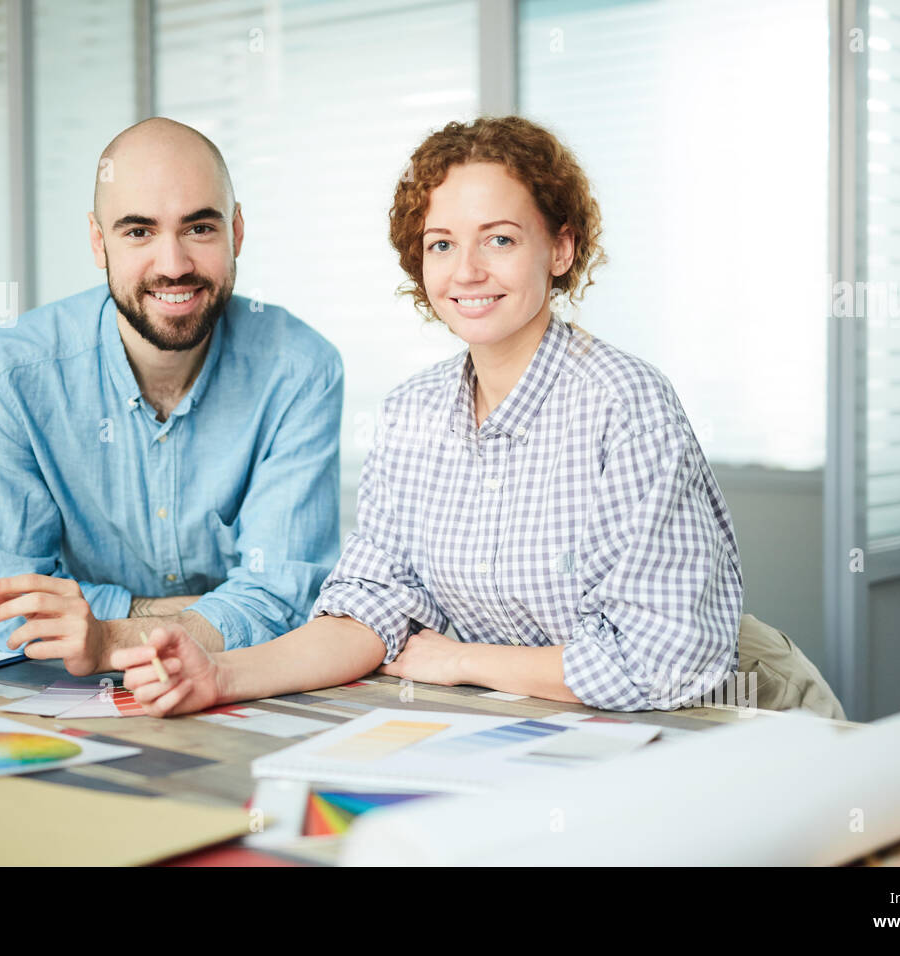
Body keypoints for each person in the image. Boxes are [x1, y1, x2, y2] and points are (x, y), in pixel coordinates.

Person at [116, 115, 742, 714]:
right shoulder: (412, 411)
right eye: (442, 244)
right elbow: (368, 610)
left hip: (695, 714)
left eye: (500, 239)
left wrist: (464, 661)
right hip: (511, 728)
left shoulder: (625, 404)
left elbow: (659, 659)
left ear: (560, 248)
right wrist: (220, 674)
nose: (467, 271)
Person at [0, 117, 343, 675]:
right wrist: (196, 613)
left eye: (200, 229)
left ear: (236, 232)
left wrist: (107, 632)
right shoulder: (12, 371)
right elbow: (12, 612)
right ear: (99, 241)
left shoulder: (301, 369)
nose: (173, 266)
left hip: (244, 688)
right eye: (138, 231)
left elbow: (285, 604)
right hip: (69, 699)